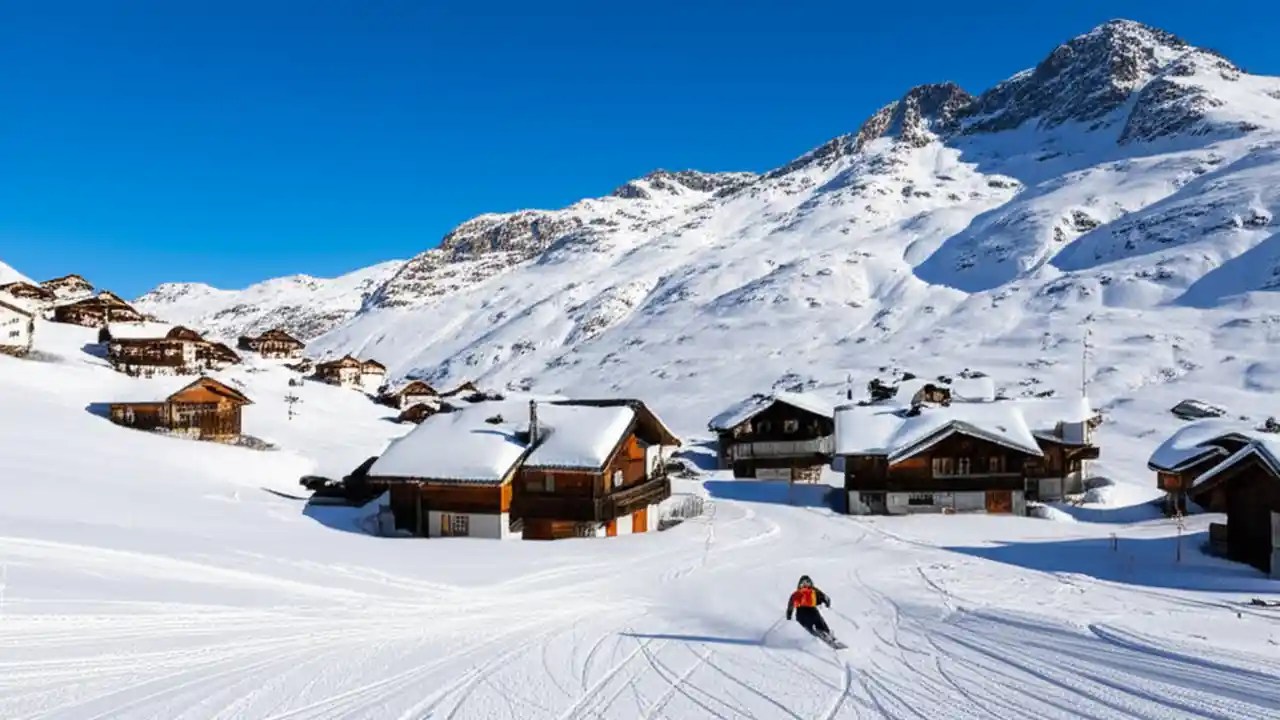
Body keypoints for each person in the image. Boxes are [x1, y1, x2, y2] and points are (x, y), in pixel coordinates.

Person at [786, 575, 834, 639]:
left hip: (800, 613)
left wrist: (789, 615)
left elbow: (790, 604)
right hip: (812, 611)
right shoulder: (814, 590)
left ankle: (811, 636)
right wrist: (827, 603)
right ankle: (827, 633)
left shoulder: (796, 593)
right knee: (819, 621)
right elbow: (825, 598)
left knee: (805, 627)